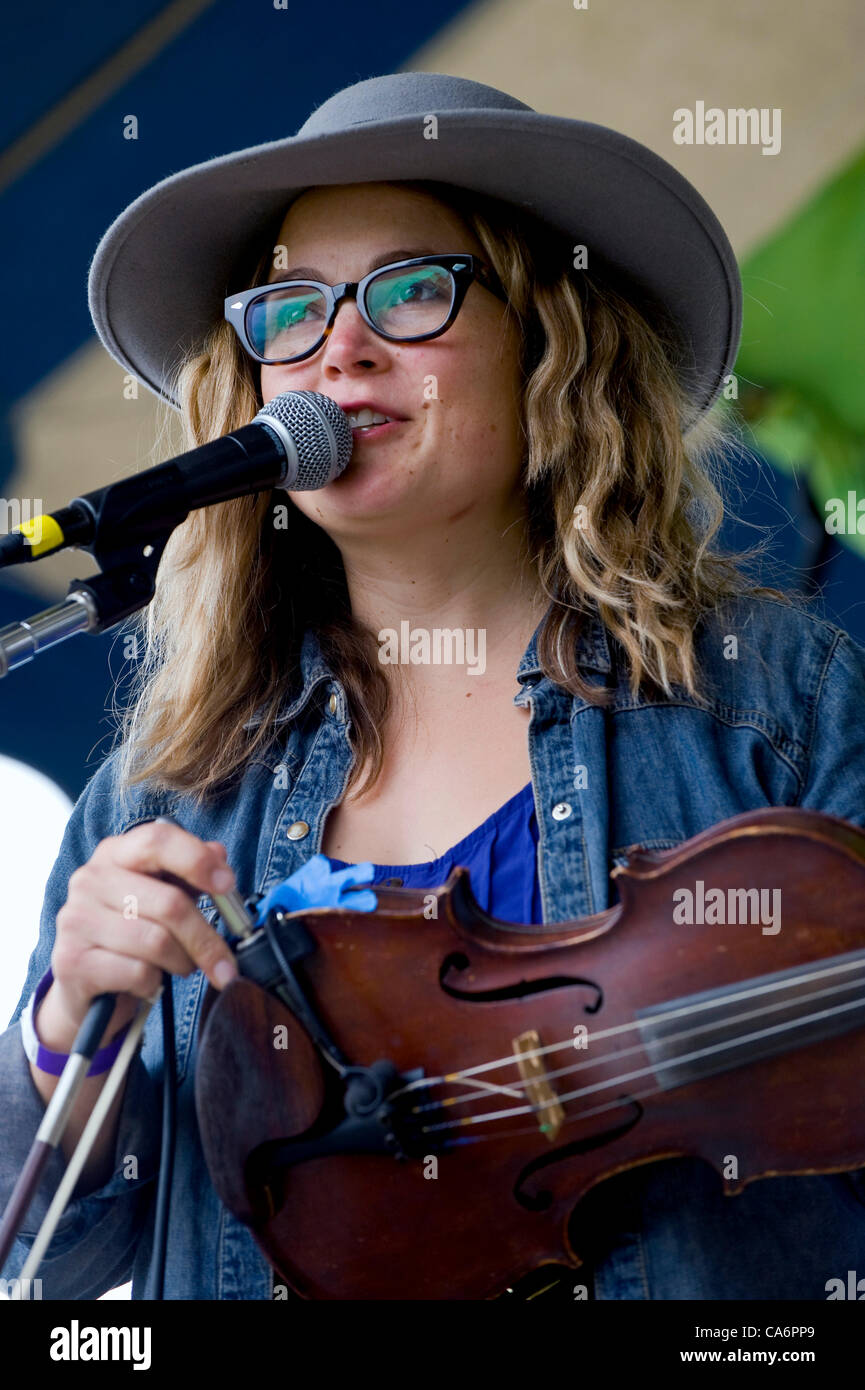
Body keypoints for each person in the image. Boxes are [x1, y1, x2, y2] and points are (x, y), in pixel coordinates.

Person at [2, 71, 864, 1302]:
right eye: (288, 310)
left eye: (410, 292)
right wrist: (58, 1037)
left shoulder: (776, 704)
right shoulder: (161, 802)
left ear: (552, 348)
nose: (339, 344)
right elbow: (57, 1261)